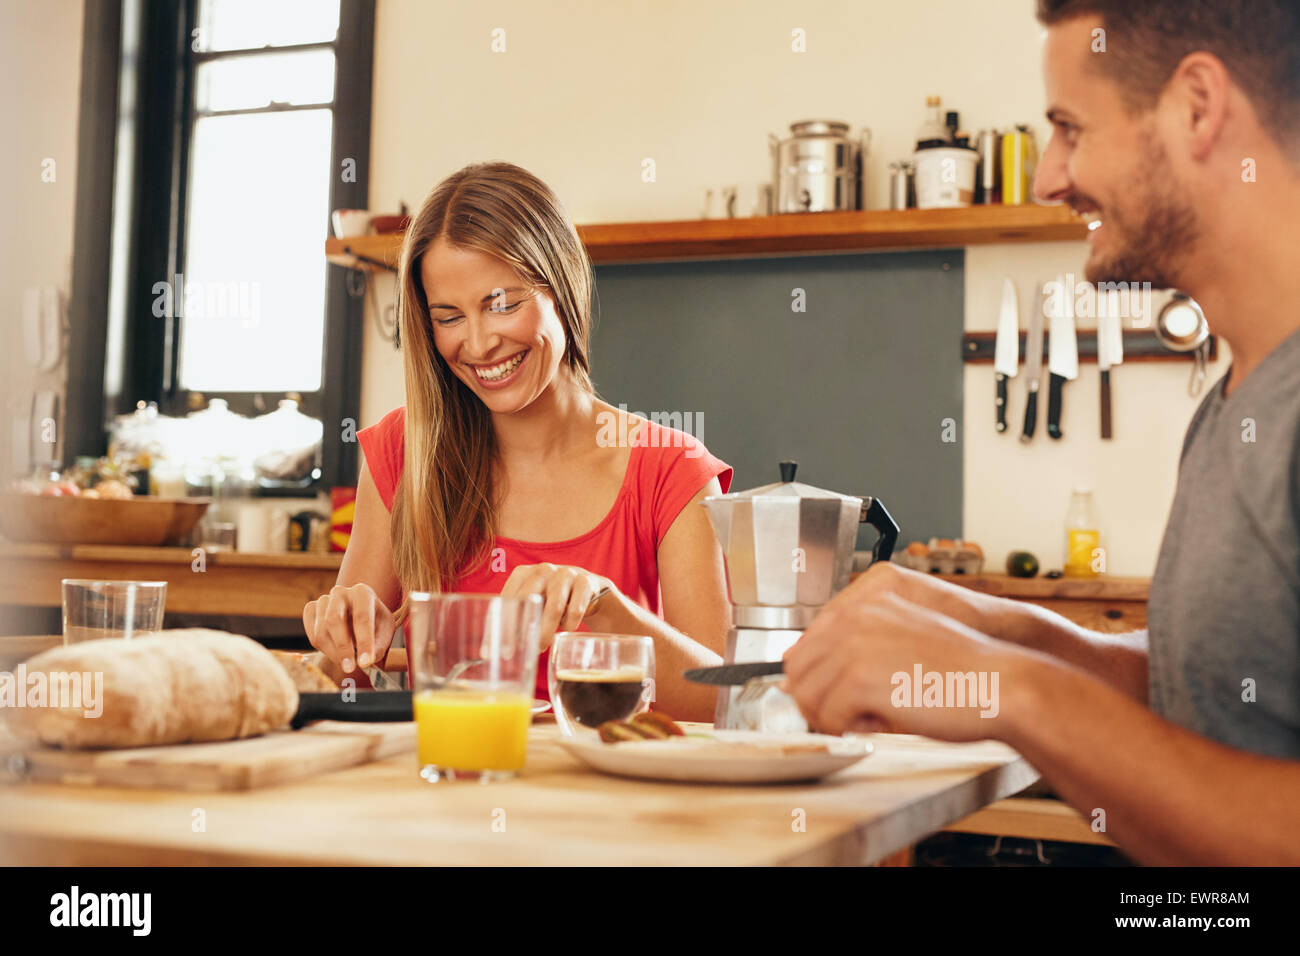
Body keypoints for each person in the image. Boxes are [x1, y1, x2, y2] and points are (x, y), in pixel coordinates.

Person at [784, 0, 1300, 865]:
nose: (1047, 177)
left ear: (1198, 107)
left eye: (1068, 128)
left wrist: (1015, 690)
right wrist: (992, 626)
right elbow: (1218, 697)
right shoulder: (1237, 397)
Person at [303, 163, 731, 721]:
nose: (479, 344)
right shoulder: (402, 451)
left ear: (562, 286)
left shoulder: (670, 469)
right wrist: (341, 635)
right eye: (449, 317)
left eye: (502, 303)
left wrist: (605, 611)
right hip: (446, 788)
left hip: (609, 798)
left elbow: (720, 703)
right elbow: (341, 680)